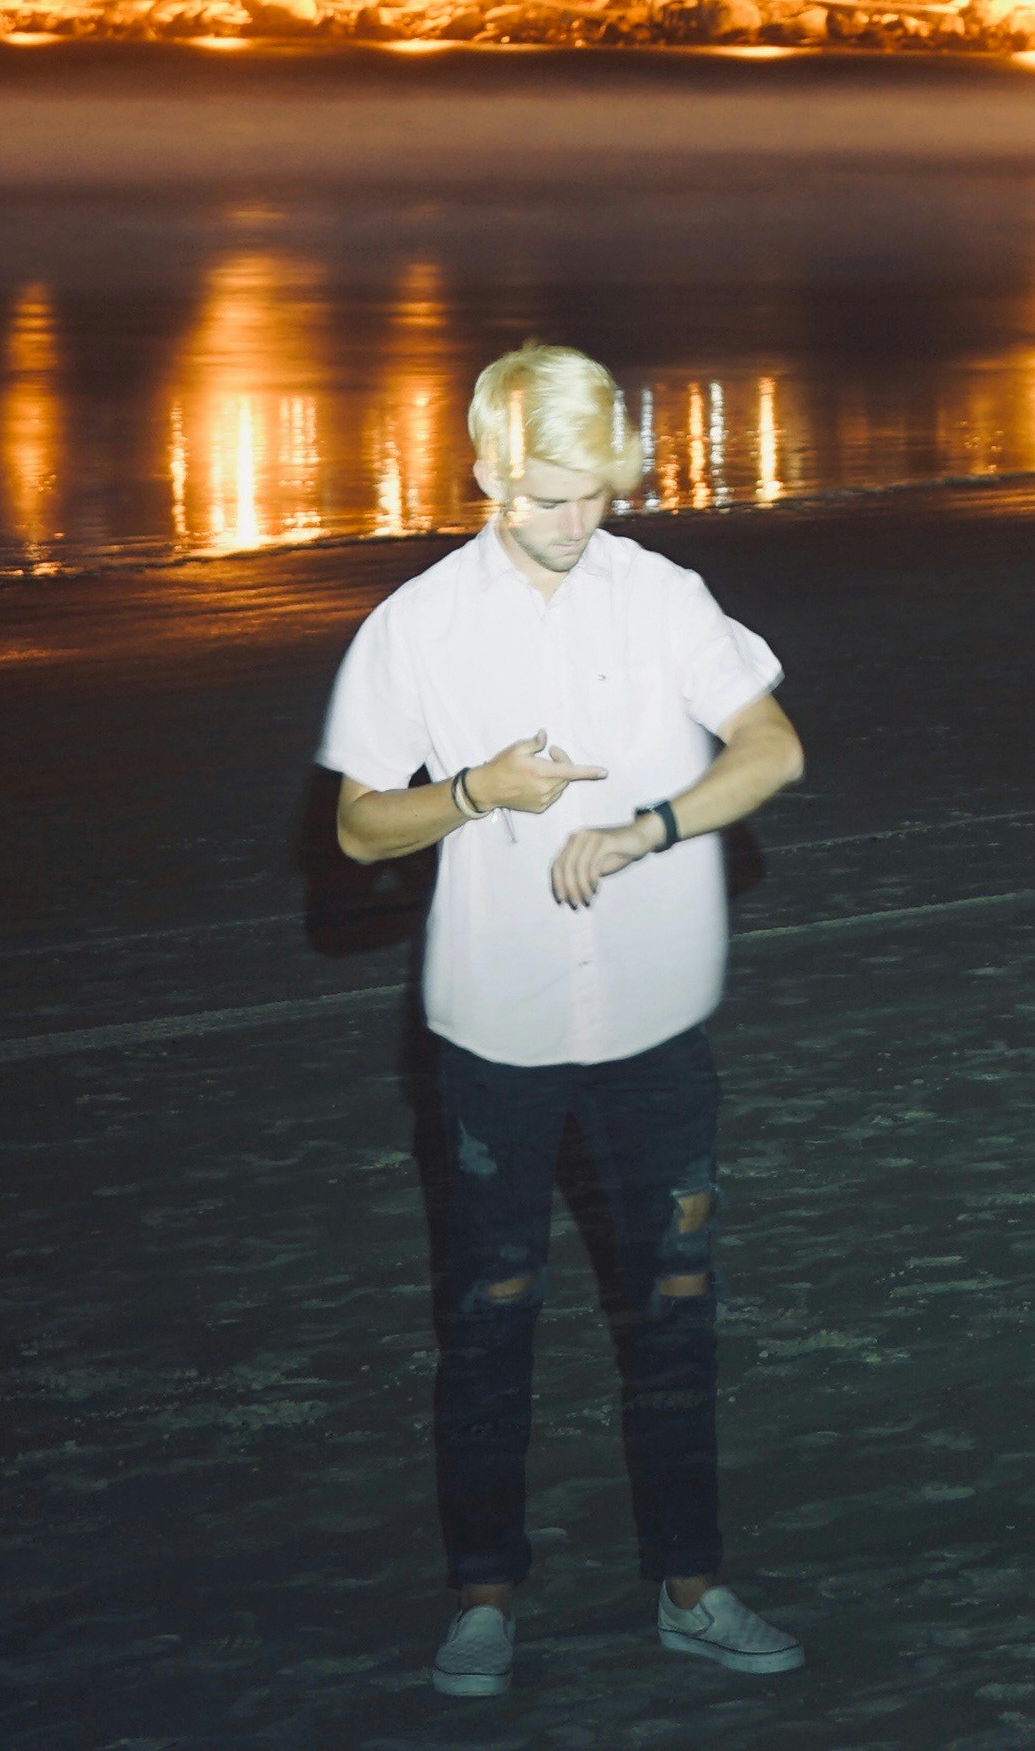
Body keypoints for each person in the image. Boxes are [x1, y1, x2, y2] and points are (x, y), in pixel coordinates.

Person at [319, 343, 813, 1701]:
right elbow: (362, 824)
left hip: (659, 1023)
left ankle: (694, 1587)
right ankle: (485, 1596)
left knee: (676, 1311)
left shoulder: (662, 597)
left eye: (595, 495)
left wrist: (649, 826)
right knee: (491, 1317)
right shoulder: (417, 626)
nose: (573, 523)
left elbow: (773, 749)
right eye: (544, 496)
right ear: (483, 472)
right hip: (495, 1033)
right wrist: (474, 792)